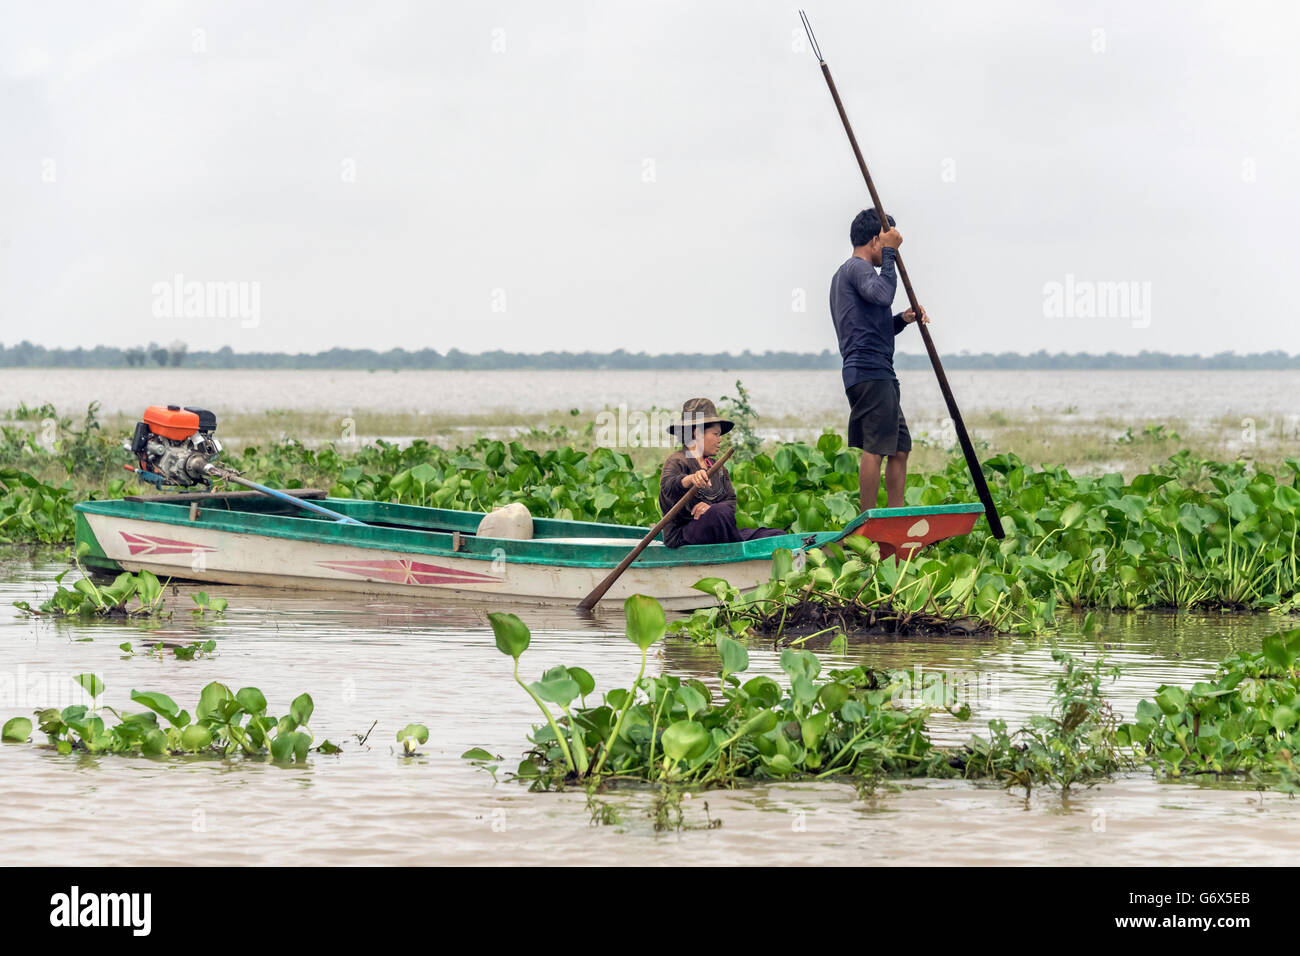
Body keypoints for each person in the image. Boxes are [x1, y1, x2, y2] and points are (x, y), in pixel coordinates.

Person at [829, 208, 931, 513]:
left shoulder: (853, 274)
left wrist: (903, 319)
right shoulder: (857, 269)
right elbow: (883, 294)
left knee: (899, 448)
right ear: (875, 241)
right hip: (869, 372)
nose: (893, 255)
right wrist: (890, 254)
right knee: (875, 449)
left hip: (877, 372)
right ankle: (869, 520)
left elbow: (875, 324)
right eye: (886, 245)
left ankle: (896, 516)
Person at [658, 398, 786, 548]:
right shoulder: (677, 460)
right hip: (684, 536)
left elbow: (730, 502)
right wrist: (690, 479)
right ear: (697, 433)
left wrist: (709, 509)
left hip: (717, 530)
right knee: (719, 513)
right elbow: (668, 484)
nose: (720, 440)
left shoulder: (717, 467)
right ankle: (738, 547)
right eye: (715, 434)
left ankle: (738, 544)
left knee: (776, 535)